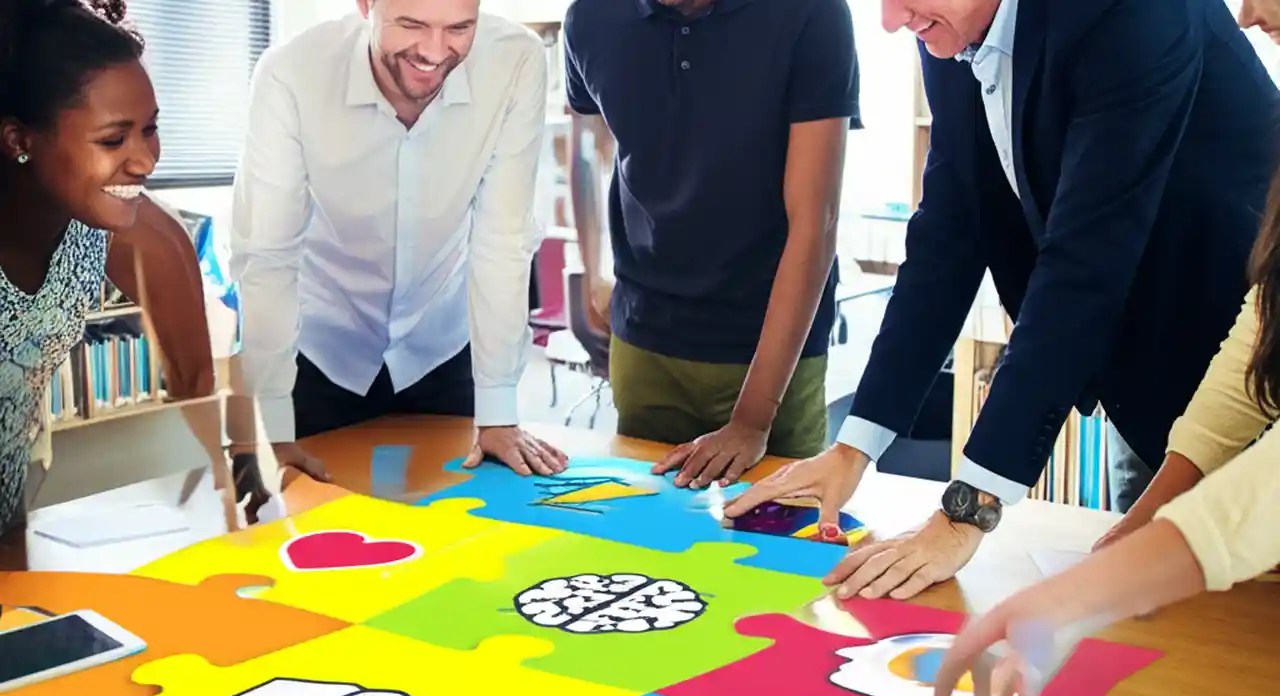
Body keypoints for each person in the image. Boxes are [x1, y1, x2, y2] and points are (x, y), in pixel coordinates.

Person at [724, 0, 1280, 601]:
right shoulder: (947, 26)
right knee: (1160, 625)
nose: (889, 19)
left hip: (1249, 369)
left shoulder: (1131, 10)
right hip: (1144, 388)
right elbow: (949, 230)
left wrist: (967, 511)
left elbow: (1084, 264)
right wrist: (854, 448)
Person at [226, 0, 569, 481]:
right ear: (366, 5)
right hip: (323, 352)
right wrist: (273, 427)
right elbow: (267, 254)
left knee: (455, 534)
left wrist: (498, 410)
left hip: (442, 346)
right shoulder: (291, 74)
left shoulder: (515, 61)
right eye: (411, 25)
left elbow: (502, 240)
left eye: (459, 28)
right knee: (313, 530)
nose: (434, 51)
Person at [562, 0, 860, 488]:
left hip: (774, 346)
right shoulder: (591, 17)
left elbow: (816, 221)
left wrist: (752, 420)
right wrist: (589, 266)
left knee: (779, 542)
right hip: (646, 338)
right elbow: (586, 143)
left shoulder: (813, 12)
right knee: (644, 536)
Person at [0, 0, 215, 539]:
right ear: (18, 140)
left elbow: (200, 383)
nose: (144, 160)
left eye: (150, 129)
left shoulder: (133, 232)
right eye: (113, 139)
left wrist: (257, 465)